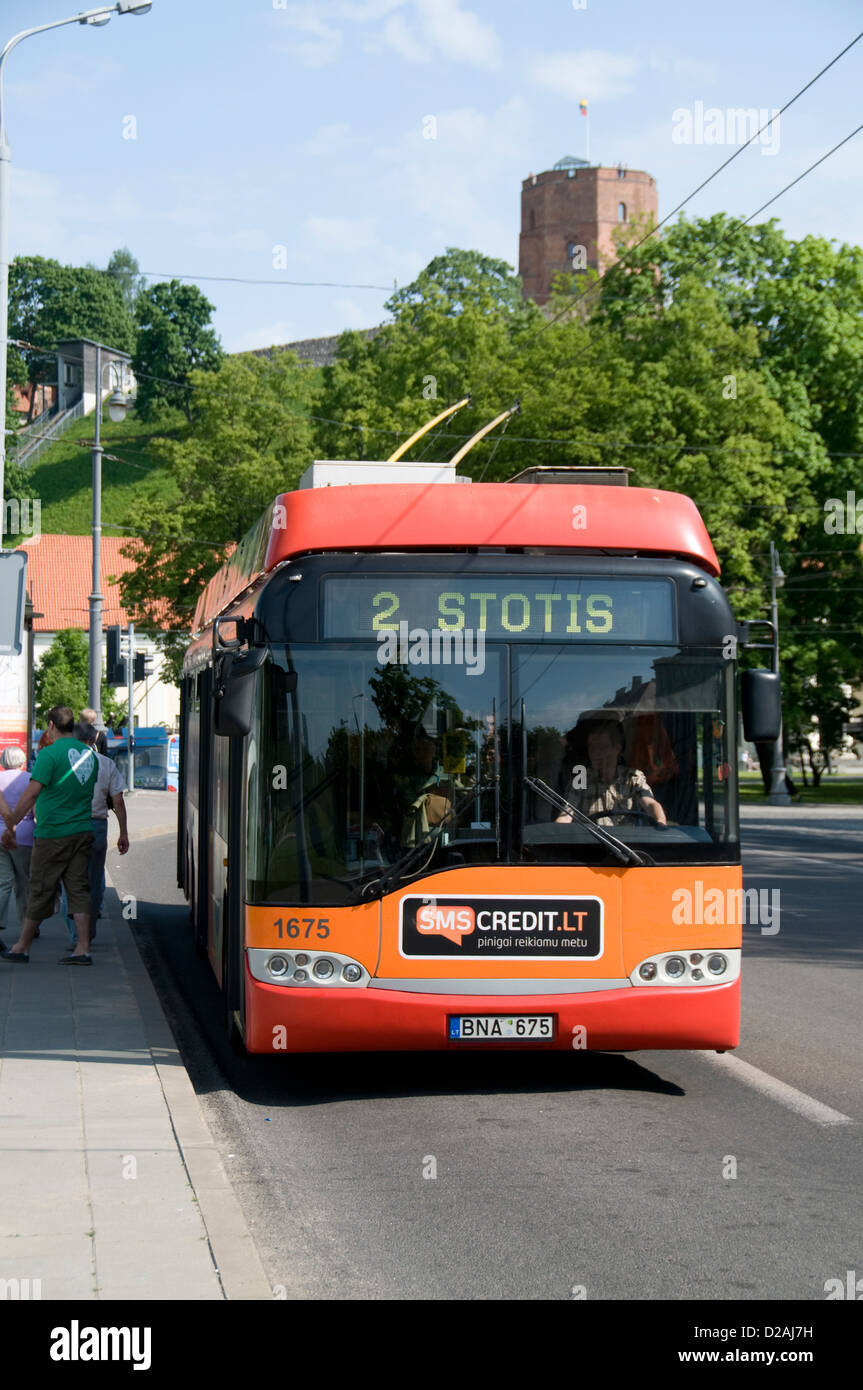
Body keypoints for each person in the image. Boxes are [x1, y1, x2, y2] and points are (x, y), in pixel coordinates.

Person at [0, 705, 98, 965]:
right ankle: (83, 949)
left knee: (39, 888)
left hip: (53, 833)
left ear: (52, 725)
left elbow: (32, 793)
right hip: (82, 830)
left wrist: (11, 824)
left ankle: (22, 946)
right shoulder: (89, 755)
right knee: (78, 889)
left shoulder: (49, 755)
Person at [61, 721, 130, 950]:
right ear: (93, 740)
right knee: (93, 881)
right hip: (96, 827)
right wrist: (123, 832)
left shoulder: (61, 763)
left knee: (69, 885)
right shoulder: (106, 763)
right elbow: (118, 801)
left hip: (68, 827)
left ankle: (75, 937)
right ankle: (87, 933)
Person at [556, 718, 667, 828]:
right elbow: (567, 812)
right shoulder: (581, 777)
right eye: (592, 748)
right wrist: (557, 831)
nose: (596, 753)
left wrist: (661, 822)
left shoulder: (632, 777)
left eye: (602, 747)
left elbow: (650, 803)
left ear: (617, 749)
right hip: (589, 842)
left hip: (624, 844)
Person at [0, 747, 35, 934]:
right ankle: (26, 928)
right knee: (25, 883)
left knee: (3, 881)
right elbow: (37, 812)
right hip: (24, 836)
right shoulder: (30, 780)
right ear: (22, 761)